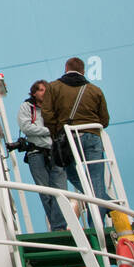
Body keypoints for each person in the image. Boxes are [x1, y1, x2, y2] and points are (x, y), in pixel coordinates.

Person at [42, 57, 111, 205]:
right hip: (92, 136)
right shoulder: (95, 90)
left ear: (66, 69)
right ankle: (103, 205)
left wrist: (57, 133)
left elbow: (47, 115)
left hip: (68, 137)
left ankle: (103, 201)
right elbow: (104, 120)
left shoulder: (53, 87)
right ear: (83, 71)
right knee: (96, 179)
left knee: (70, 171)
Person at [18, 79, 68, 231]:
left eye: (46, 90)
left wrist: (45, 130)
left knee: (61, 191)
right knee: (45, 193)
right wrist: (48, 130)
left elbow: (62, 125)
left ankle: (58, 227)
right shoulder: (27, 107)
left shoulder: (55, 106)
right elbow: (26, 128)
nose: (44, 93)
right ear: (34, 93)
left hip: (56, 151)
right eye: (41, 90)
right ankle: (58, 227)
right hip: (36, 153)